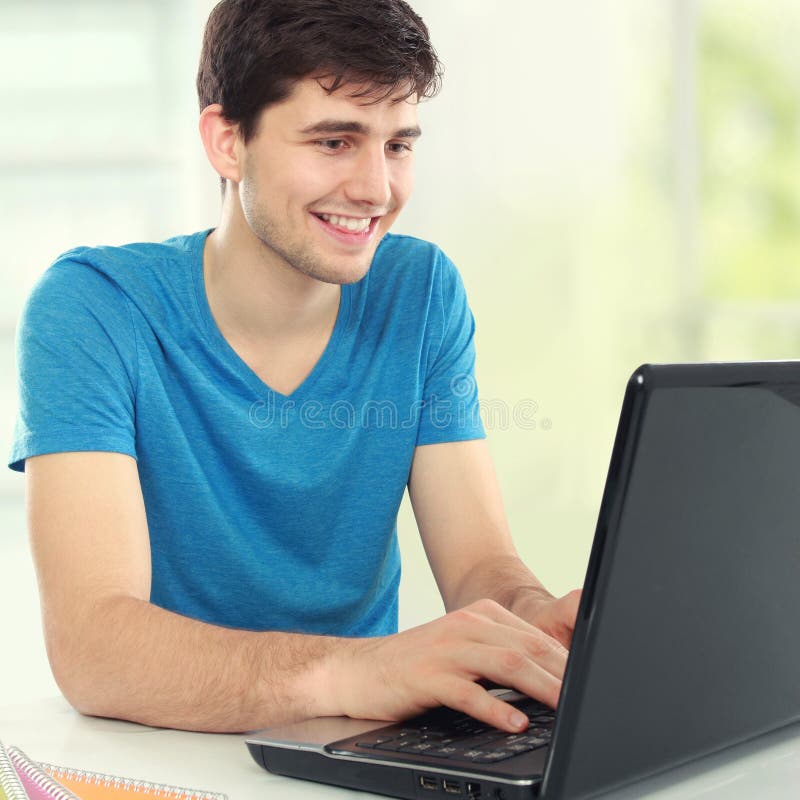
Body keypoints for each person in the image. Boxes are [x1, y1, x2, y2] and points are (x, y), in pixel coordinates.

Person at [9, 0, 580, 735]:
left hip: (356, 745)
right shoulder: (94, 308)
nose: (377, 189)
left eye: (398, 145)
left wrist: (536, 621)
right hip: (166, 752)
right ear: (226, 141)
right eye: (335, 141)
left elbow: (478, 567)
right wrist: (356, 671)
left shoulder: (421, 291)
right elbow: (95, 649)